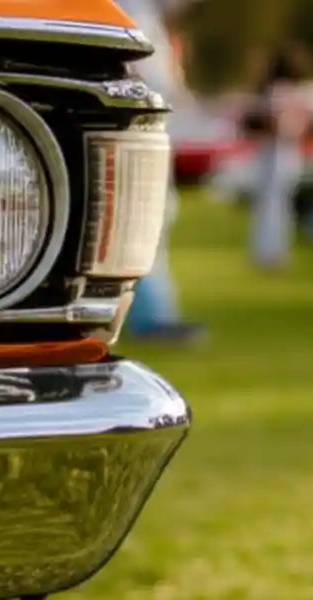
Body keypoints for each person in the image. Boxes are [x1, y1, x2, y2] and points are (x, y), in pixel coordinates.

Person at [114, 0, 205, 345]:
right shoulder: (131, 10)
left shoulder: (146, 15)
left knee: (156, 215)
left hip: (152, 125)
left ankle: (153, 313)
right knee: (142, 217)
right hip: (135, 126)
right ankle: (148, 317)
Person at [245, 47, 310, 270]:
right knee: (275, 205)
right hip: (278, 150)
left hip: (279, 150)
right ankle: (270, 253)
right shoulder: (284, 91)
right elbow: (279, 123)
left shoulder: (278, 91)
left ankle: (271, 253)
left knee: (275, 205)